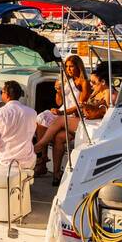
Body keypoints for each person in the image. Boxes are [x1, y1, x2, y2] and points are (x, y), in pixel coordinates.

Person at [34, 55, 92, 184]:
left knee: (56, 133)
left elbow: (80, 107)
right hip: (63, 113)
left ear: (78, 67)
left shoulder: (84, 83)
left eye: (71, 66)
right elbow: (60, 101)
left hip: (74, 116)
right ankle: (47, 163)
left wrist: (61, 112)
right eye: (67, 66)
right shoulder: (67, 81)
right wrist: (58, 91)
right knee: (42, 118)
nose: (69, 69)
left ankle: (43, 155)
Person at [0, 80, 38, 168]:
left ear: (7, 95)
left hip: (5, 163)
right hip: (27, 162)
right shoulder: (32, 113)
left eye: (2, 92)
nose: (1, 94)